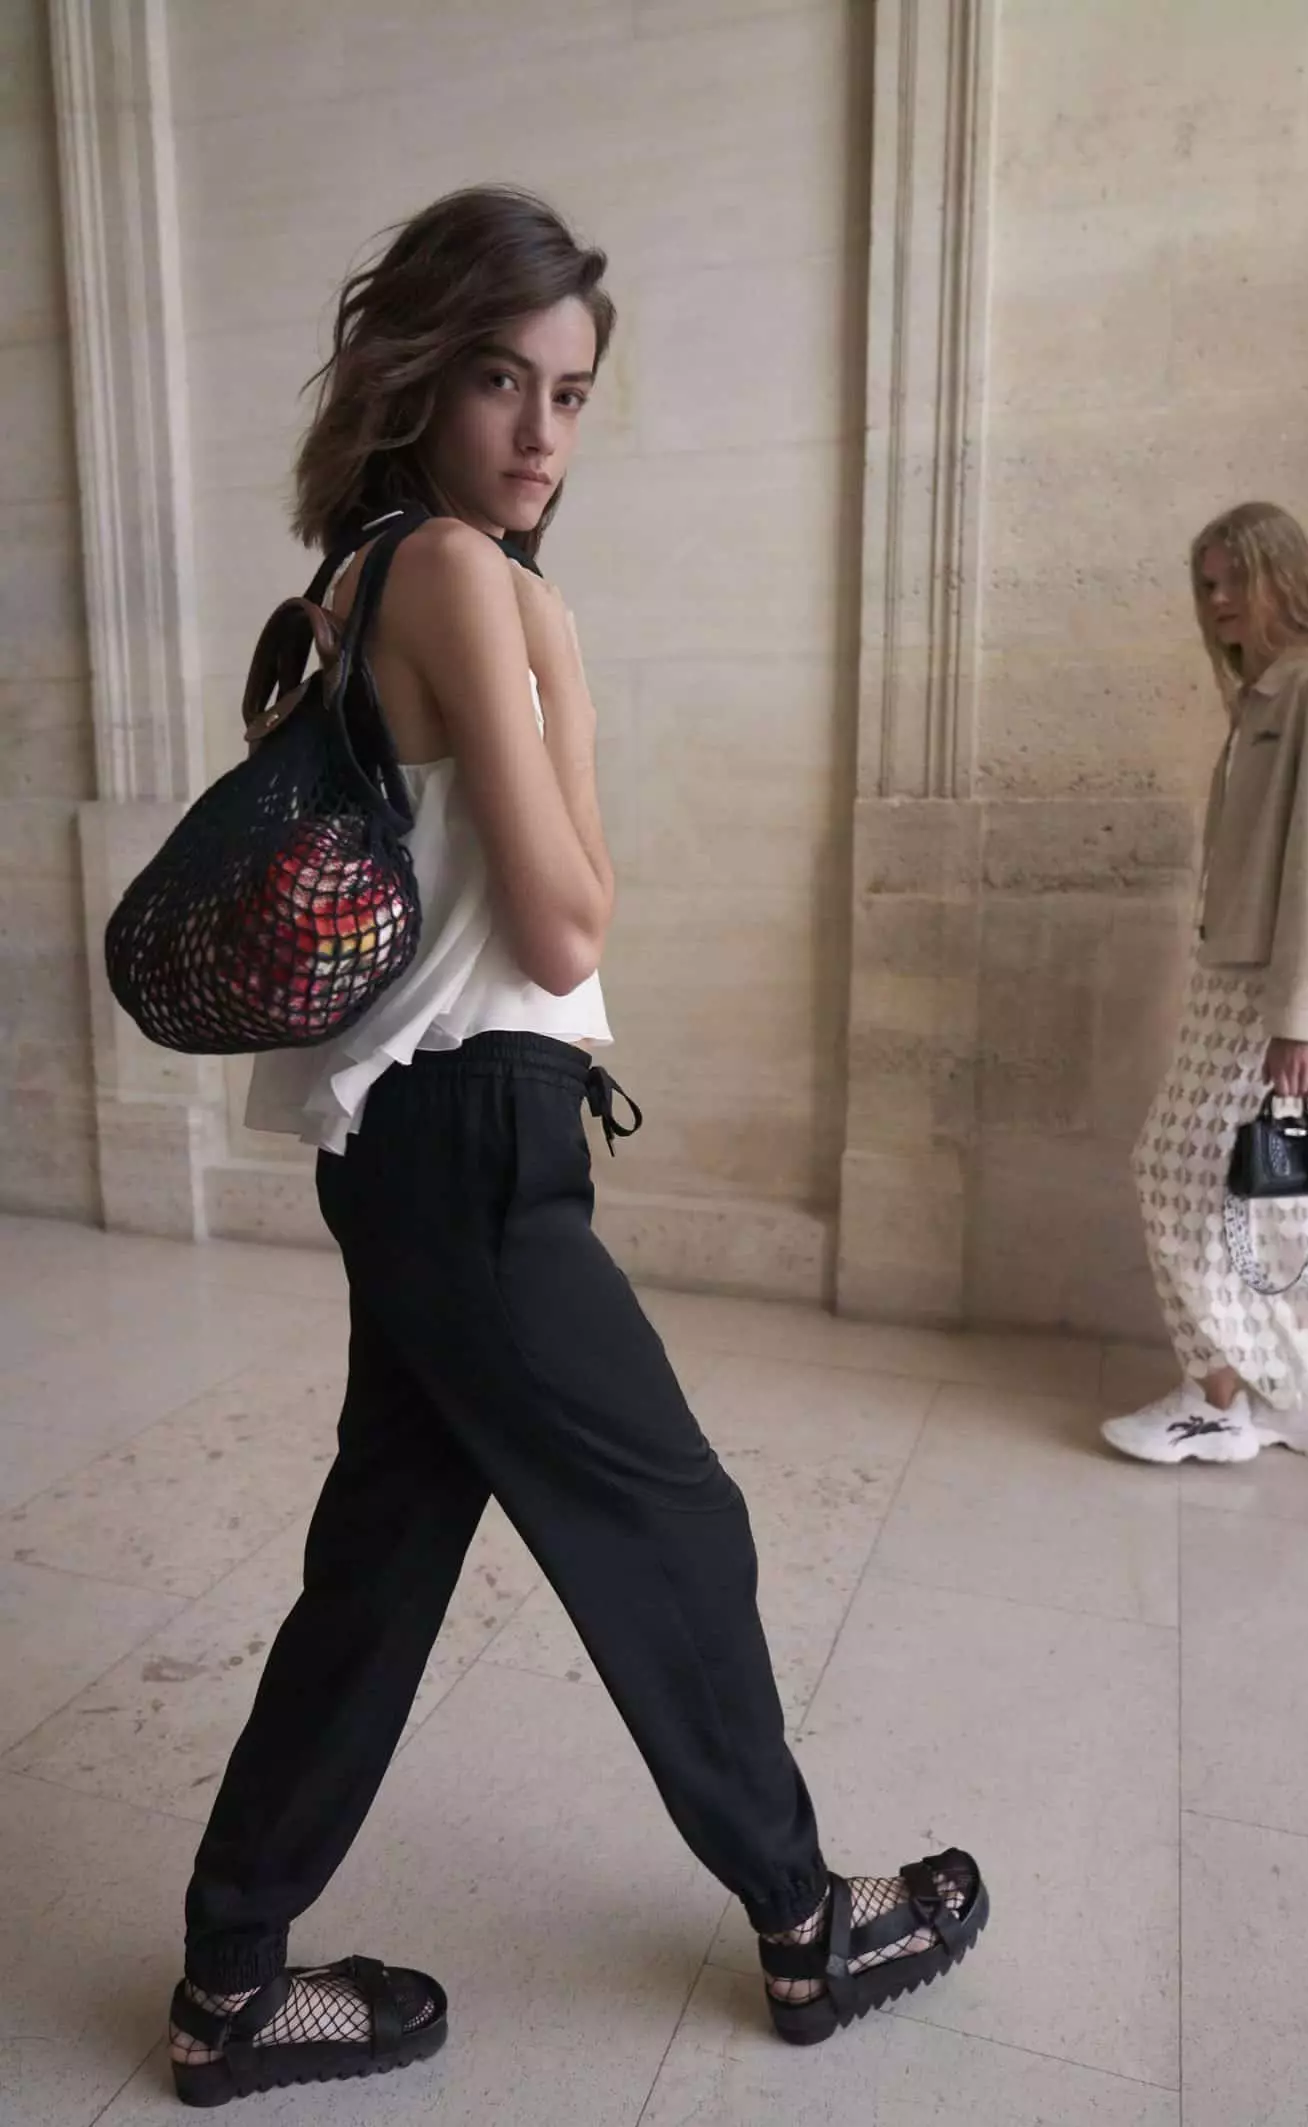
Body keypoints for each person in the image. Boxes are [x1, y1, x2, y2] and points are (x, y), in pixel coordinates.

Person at [165, 187, 987, 2107]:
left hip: (413, 1142)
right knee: (674, 1517)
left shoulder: (354, 576)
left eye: (575, 394)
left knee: (376, 1565)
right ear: (417, 376)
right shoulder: (463, 577)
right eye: (498, 379)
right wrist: (573, 690)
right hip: (474, 1141)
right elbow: (566, 928)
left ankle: (226, 1988)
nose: (541, 431)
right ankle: (808, 1919)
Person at [1104, 500, 1308, 1470]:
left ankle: (1217, 1402)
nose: (1217, 600)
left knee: (1180, 1176)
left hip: (1274, 991)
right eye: (1206, 585)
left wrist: (1296, 1020)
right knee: (1278, 1199)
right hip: (1256, 985)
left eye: (1233, 579)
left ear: (1282, 575)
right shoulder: (1272, 695)